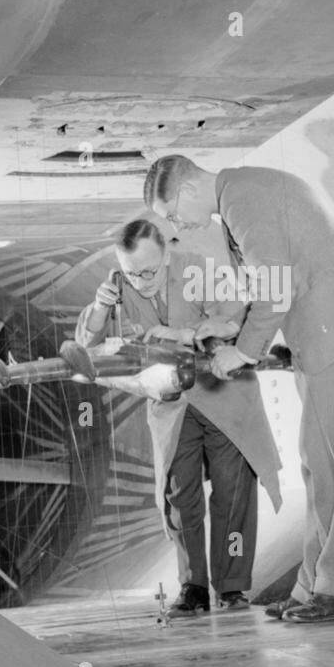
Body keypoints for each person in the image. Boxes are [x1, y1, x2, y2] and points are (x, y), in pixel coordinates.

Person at [145, 156, 334, 623]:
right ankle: (315, 587)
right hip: (325, 331)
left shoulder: (244, 199)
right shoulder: (246, 193)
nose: (176, 225)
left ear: (183, 190)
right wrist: (215, 330)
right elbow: (274, 282)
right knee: (316, 459)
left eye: (171, 214)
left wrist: (242, 354)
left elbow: (274, 290)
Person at [74, 217, 281, 617]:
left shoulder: (200, 271)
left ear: (166, 253)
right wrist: (100, 307)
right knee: (179, 497)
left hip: (225, 398)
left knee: (232, 494)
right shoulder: (118, 286)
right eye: (133, 273)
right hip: (173, 405)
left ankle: (233, 588)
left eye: (149, 271)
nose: (141, 281)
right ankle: (193, 587)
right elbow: (86, 347)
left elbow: (234, 324)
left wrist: (176, 335)